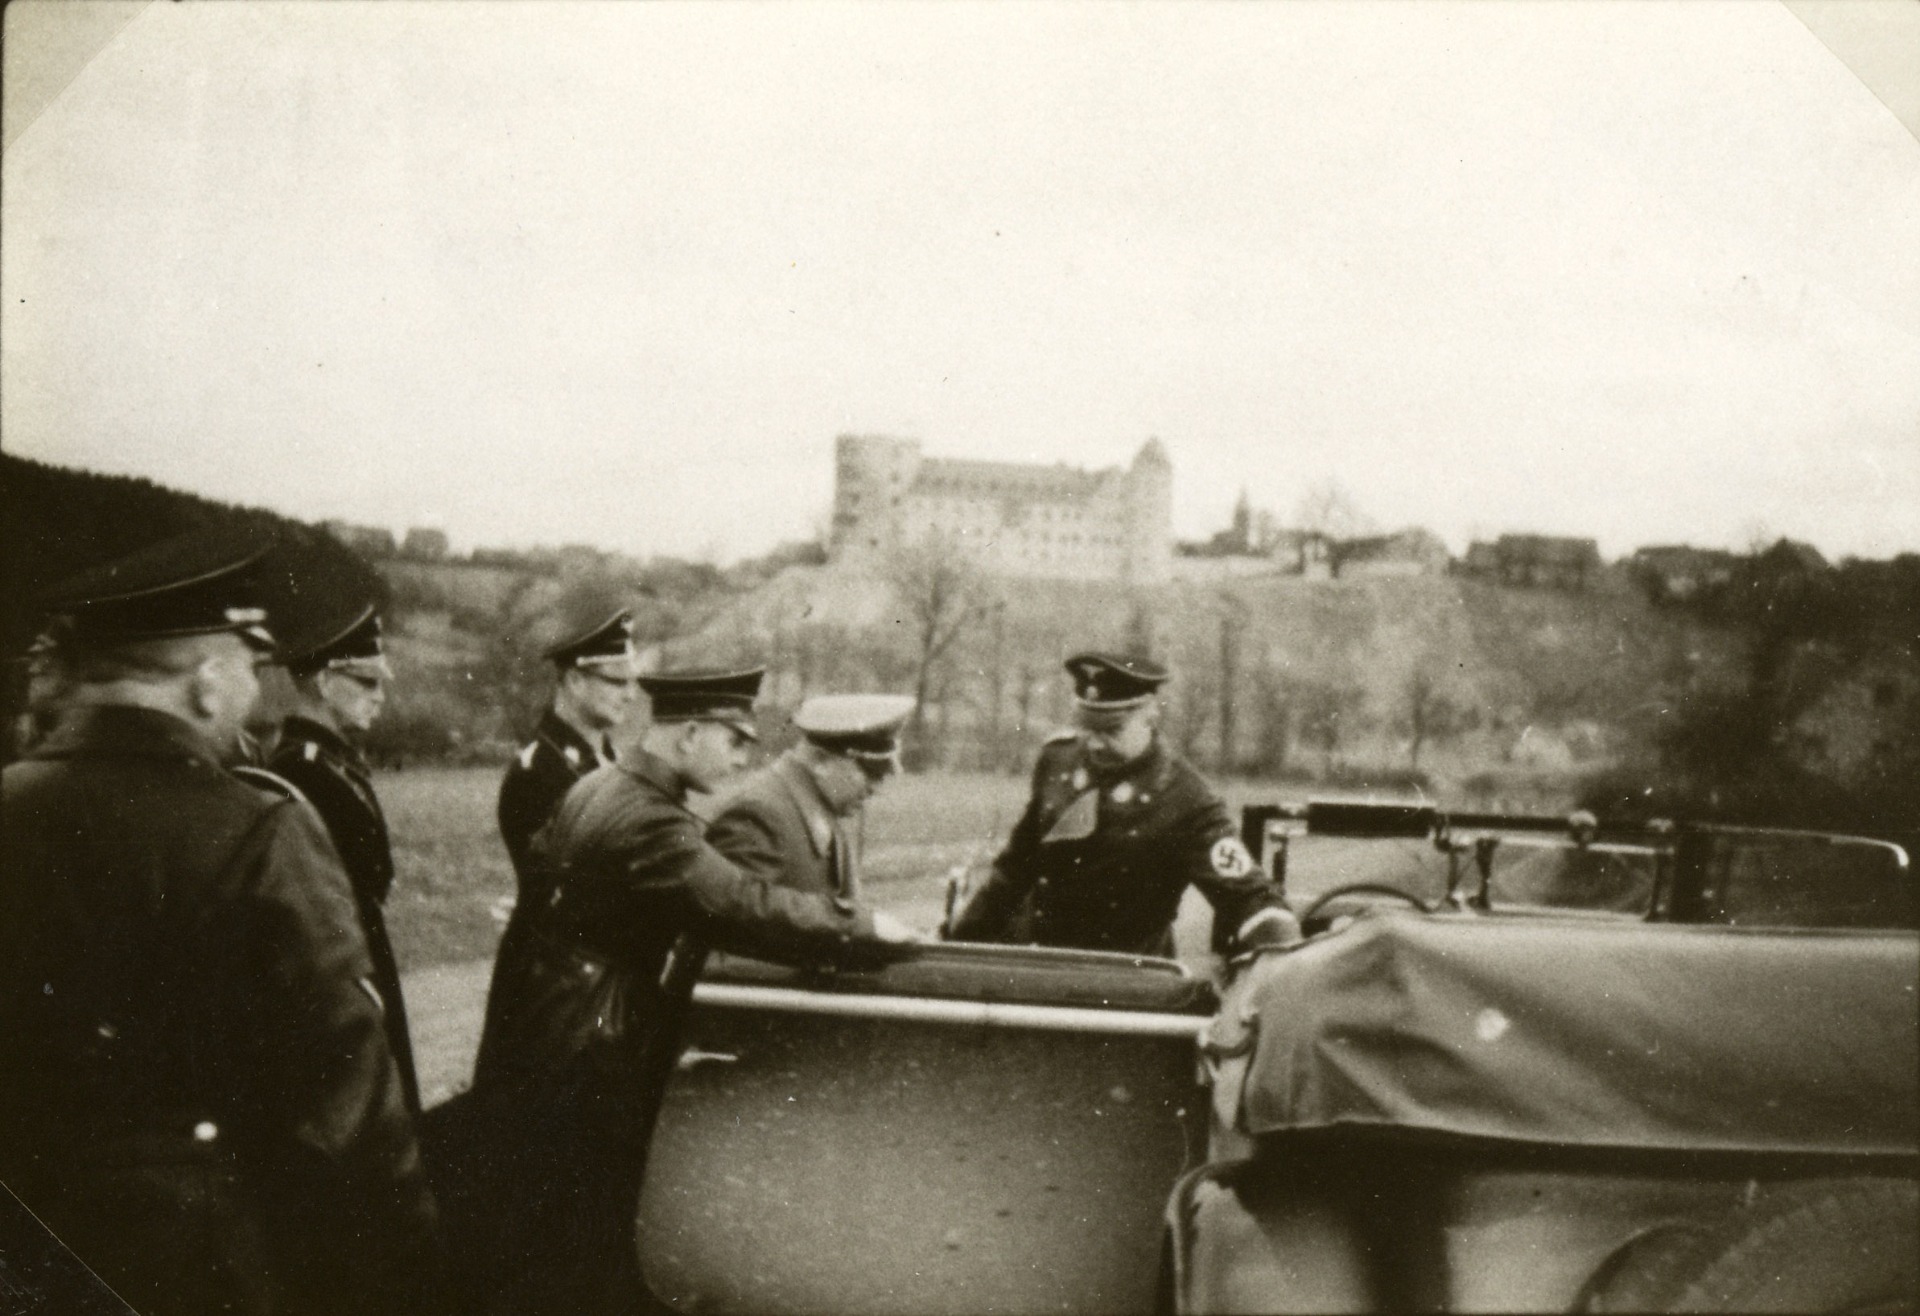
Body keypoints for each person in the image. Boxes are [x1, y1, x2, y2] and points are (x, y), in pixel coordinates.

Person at [0, 529, 446, 1316]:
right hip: (205, 1263)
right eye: (245, 664)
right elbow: (347, 1106)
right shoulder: (254, 826)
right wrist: (406, 1274)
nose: (251, 690)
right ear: (207, 683)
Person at [468, 667, 919, 1316]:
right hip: (596, 1039)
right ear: (687, 736)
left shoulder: (599, 784)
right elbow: (741, 903)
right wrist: (864, 928)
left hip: (555, 1022)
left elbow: (543, 876)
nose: (745, 756)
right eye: (733, 739)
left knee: (552, 1229)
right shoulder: (654, 822)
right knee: (583, 1238)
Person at [948, 651, 1300, 958]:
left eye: (1111, 731)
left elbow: (1249, 897)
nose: (1095, 745)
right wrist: (953, 944)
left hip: (1124, 981)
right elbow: (1015, 869)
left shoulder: (1185, 797)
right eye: (1088, 728)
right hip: (1038, 960)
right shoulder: (1058, 760)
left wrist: (1282, 958)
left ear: (1150, 716)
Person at [266, 598, 419, 1114]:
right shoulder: (305, 770)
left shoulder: (332, 763)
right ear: (324, 682)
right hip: (338, 969)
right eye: (366, 682)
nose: (381, 696)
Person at [707, 693, 916, 901]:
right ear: (822, 763)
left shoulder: (816, 804)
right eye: (871, 773)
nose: (875, 789)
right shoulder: (757, 813)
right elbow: (737, 919)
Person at [495, 609, 641, 891]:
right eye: (618, 682)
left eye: (633, 682)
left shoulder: (616, 760)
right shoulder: (538, 770)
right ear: (575, 681)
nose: (630, 695)